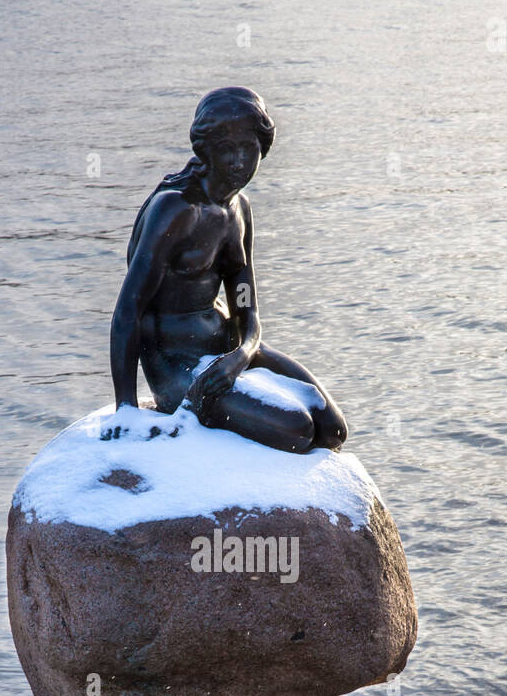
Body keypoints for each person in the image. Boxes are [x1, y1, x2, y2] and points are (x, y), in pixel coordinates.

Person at [110, 87, 347, 453]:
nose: (239, 162)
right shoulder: (176, 210)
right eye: (226, 149)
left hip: (228, 351)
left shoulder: (239, 210)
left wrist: (241, 355)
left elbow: (246, 305)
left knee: (332, 430)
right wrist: (124, 407)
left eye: (248, 149)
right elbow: (128, 311)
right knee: (297, 431)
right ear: (205, 149)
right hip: (178, 365)